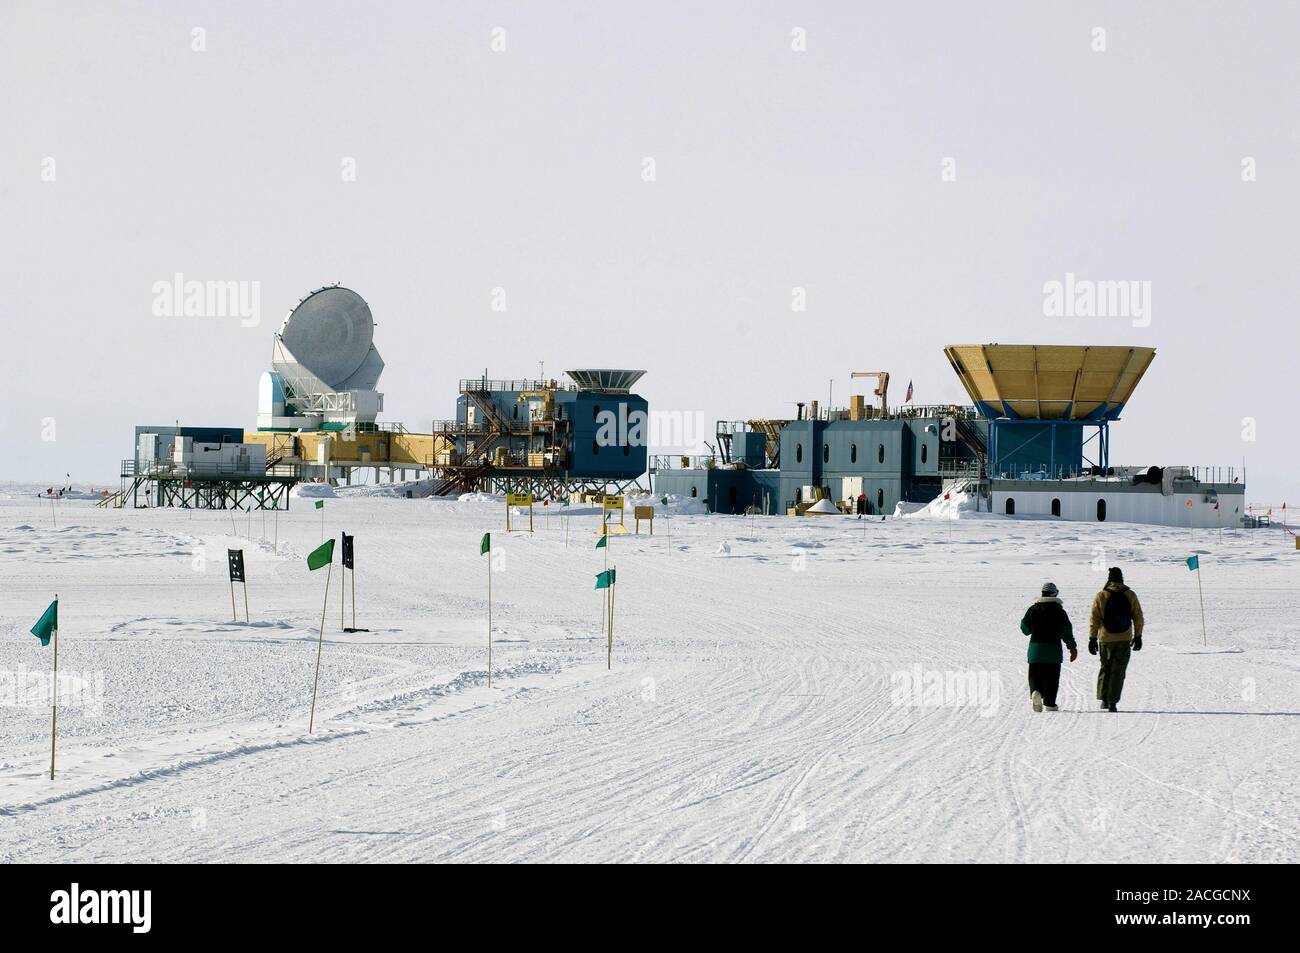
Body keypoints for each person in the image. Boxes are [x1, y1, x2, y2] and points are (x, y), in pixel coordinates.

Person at [1088, 566, 1145, 712]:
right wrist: (1138, 636)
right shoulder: (1130, 595)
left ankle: (1104, 699)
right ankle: (1113, 702)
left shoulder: (1101, 595)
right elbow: (1138, 617)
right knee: (1118, 671)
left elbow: (1094, 619)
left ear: (1109, 579)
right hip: (1124, 638)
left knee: (1105, 668)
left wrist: (1092, 638)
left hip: (1106, 639)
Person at [1019, 581, 1077, 711]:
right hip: (1053, 650)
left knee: (1035, 674)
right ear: (1055, 593)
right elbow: (1067, 631)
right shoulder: (1059, 611)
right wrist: (1072, 647)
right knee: (1052, 677)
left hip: (1035, 650)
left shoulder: (1033, 609)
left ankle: (1036, 691)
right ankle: (1049, 704)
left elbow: (1025, 629)